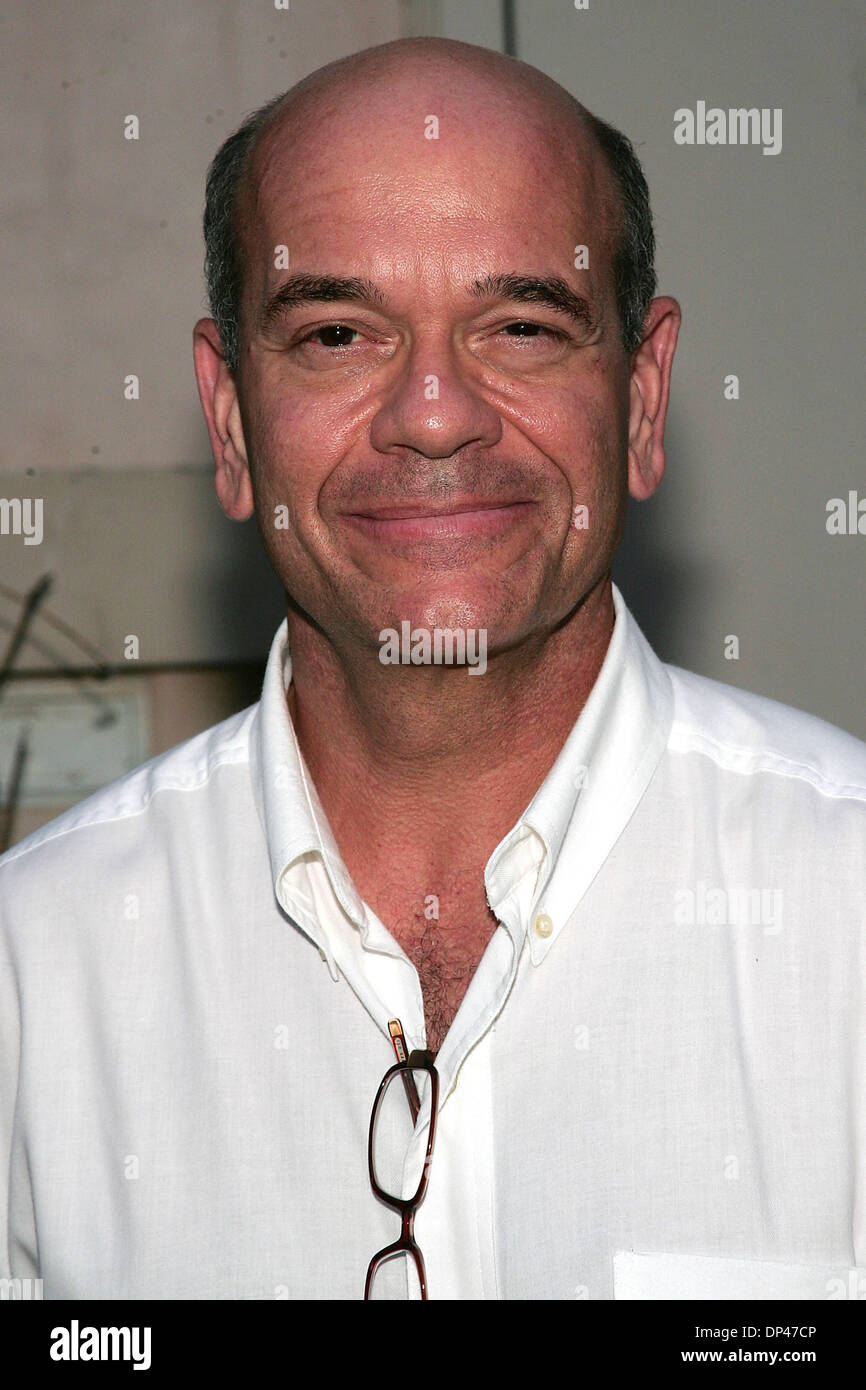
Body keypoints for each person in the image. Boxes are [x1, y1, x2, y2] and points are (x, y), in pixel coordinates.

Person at [1, 36, 863, 1302]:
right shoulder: (34, 970)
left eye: (520, 323)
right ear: (230, 420)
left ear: (639, 397)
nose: (433, 410)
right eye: (339, 333)